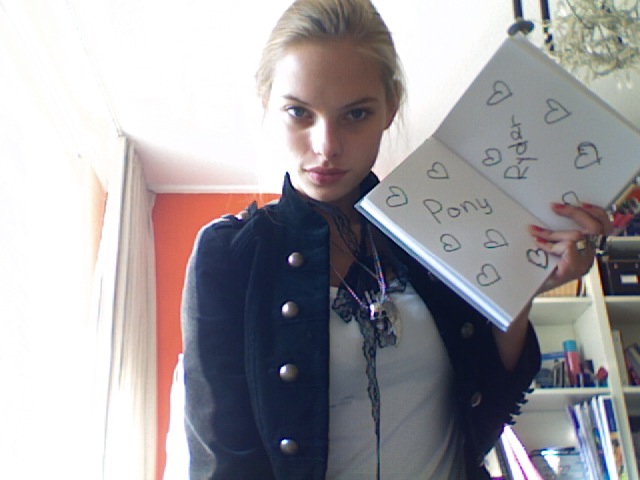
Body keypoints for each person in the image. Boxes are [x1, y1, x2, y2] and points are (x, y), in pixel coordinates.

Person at [181, 1, 613, 479]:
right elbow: (224, 463)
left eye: (356, 114)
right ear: (267, 102)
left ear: (390, 108)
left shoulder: (438, 224)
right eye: (299, 112)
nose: (326, 146)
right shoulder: (232, 256)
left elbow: (486, 410)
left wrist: (524, 283)